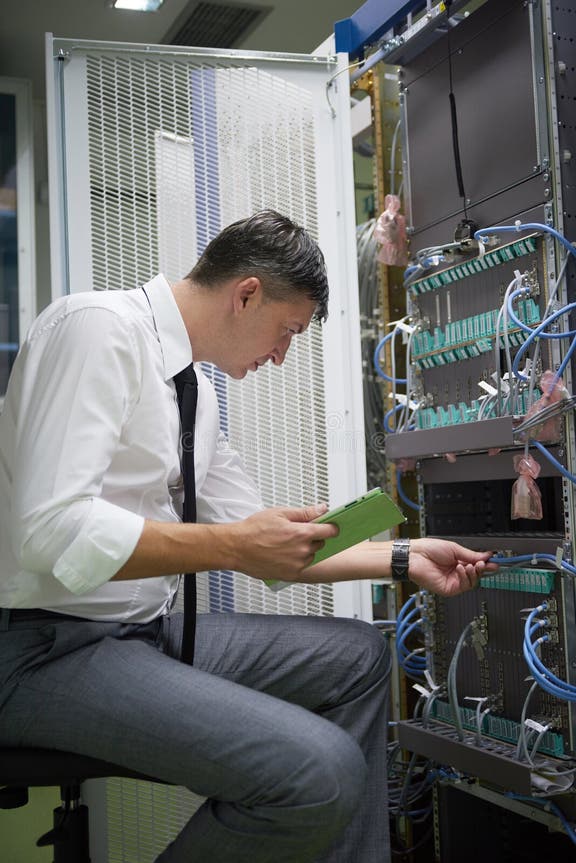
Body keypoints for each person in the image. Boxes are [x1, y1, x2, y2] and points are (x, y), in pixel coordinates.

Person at [0, 210, 494, 863]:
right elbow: (50, 530)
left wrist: (405, 556)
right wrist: (233, 545)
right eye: (287, 332)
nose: (281, 355)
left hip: (141, 634)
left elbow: (274, 551)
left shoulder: (193, 395)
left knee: (358, 658)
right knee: (321, 772)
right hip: (40, 649)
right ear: (247, 293)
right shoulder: (96, 330)